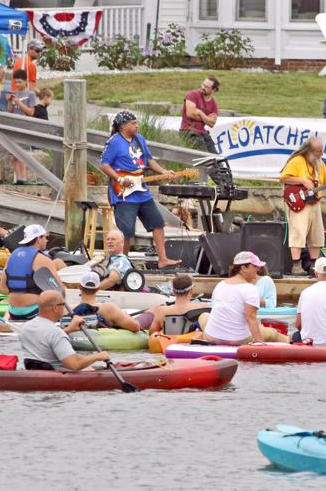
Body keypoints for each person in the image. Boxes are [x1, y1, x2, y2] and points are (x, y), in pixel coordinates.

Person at [99, 111, 180, 267]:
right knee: (126, 231)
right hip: (124, 193)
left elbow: (149, 160)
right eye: (133, 123)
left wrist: (164, 172)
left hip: (142, 191)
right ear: (123, 126)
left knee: (157, 223)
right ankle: (122, 264)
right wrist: (120, 179)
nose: (137, 126)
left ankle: (163, 259)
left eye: (137, 123)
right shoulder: (114, 142)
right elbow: (104, 164)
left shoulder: (140, 140)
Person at [279, 136, 326, 274]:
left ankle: (314, 265)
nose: (320, 154)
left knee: (316, 235)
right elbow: (283, 177)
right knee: (298, 233)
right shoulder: (297, 161)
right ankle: (296, 266)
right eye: (317, 151)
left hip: (315, 203)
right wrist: (302, 181)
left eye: (321, 151)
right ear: (308, 150)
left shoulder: (320, 164)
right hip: (300, 202)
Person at [199, 252, 290, 344]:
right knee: (272, 333)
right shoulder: (250, 289)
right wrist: (260, 343)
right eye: (255, 266)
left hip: (211, 337)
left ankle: (199, 334)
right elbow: (250, 318)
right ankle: (290, 341)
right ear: (243, 268)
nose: (258, 269)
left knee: (203, 316)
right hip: (238, 340)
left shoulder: (220, 285)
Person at [19, 290, 110, 371]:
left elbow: (46, 342)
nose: (65, 308)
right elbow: (74, 365)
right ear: (55, 308)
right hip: (57, 374)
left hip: (34, 371)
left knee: (90, 366)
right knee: (90, 369)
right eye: (63, 304)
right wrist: (98, 356)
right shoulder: (56, 333)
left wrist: (69, 329)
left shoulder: (26, 327)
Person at [1, 224, 63, 321]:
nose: (47, 240)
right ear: (39, 239)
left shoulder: (12, 256)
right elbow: (60, 290)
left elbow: (3, 287)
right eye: (46, 237)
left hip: (13, 312)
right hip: (33, 312)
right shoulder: (44, 260)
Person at [71, 272, 152, 332]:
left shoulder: (69, 308)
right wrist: (124, 315)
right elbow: (136, 327)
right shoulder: (109, 308)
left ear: (80, 287)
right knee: (153, 311)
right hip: (102, 342)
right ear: (98, 288)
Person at [6, 69, 37, 185]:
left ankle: (23, 178)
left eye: (20, 82)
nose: (18, 85)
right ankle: (19, 178)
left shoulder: (31, 94)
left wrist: (19, 103)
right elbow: (10, 112)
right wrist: (10, 101)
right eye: (16, 82)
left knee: (21, 154)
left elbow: (31, 112)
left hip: (24, 127)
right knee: (13, 155)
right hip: (14, 127)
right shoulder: (15, 94)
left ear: (25, 81)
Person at [179, 76, 220, 153]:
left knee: (217, 159)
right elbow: (190, 113)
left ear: (213, 90)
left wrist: (200, 113)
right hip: (188, 130)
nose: (203, 87)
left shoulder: (214, 104)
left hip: (203, 133)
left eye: (207, 87)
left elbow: (212, 123)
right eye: (203, 84)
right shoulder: (193, 94)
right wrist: (206, 118)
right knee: (205, 158)